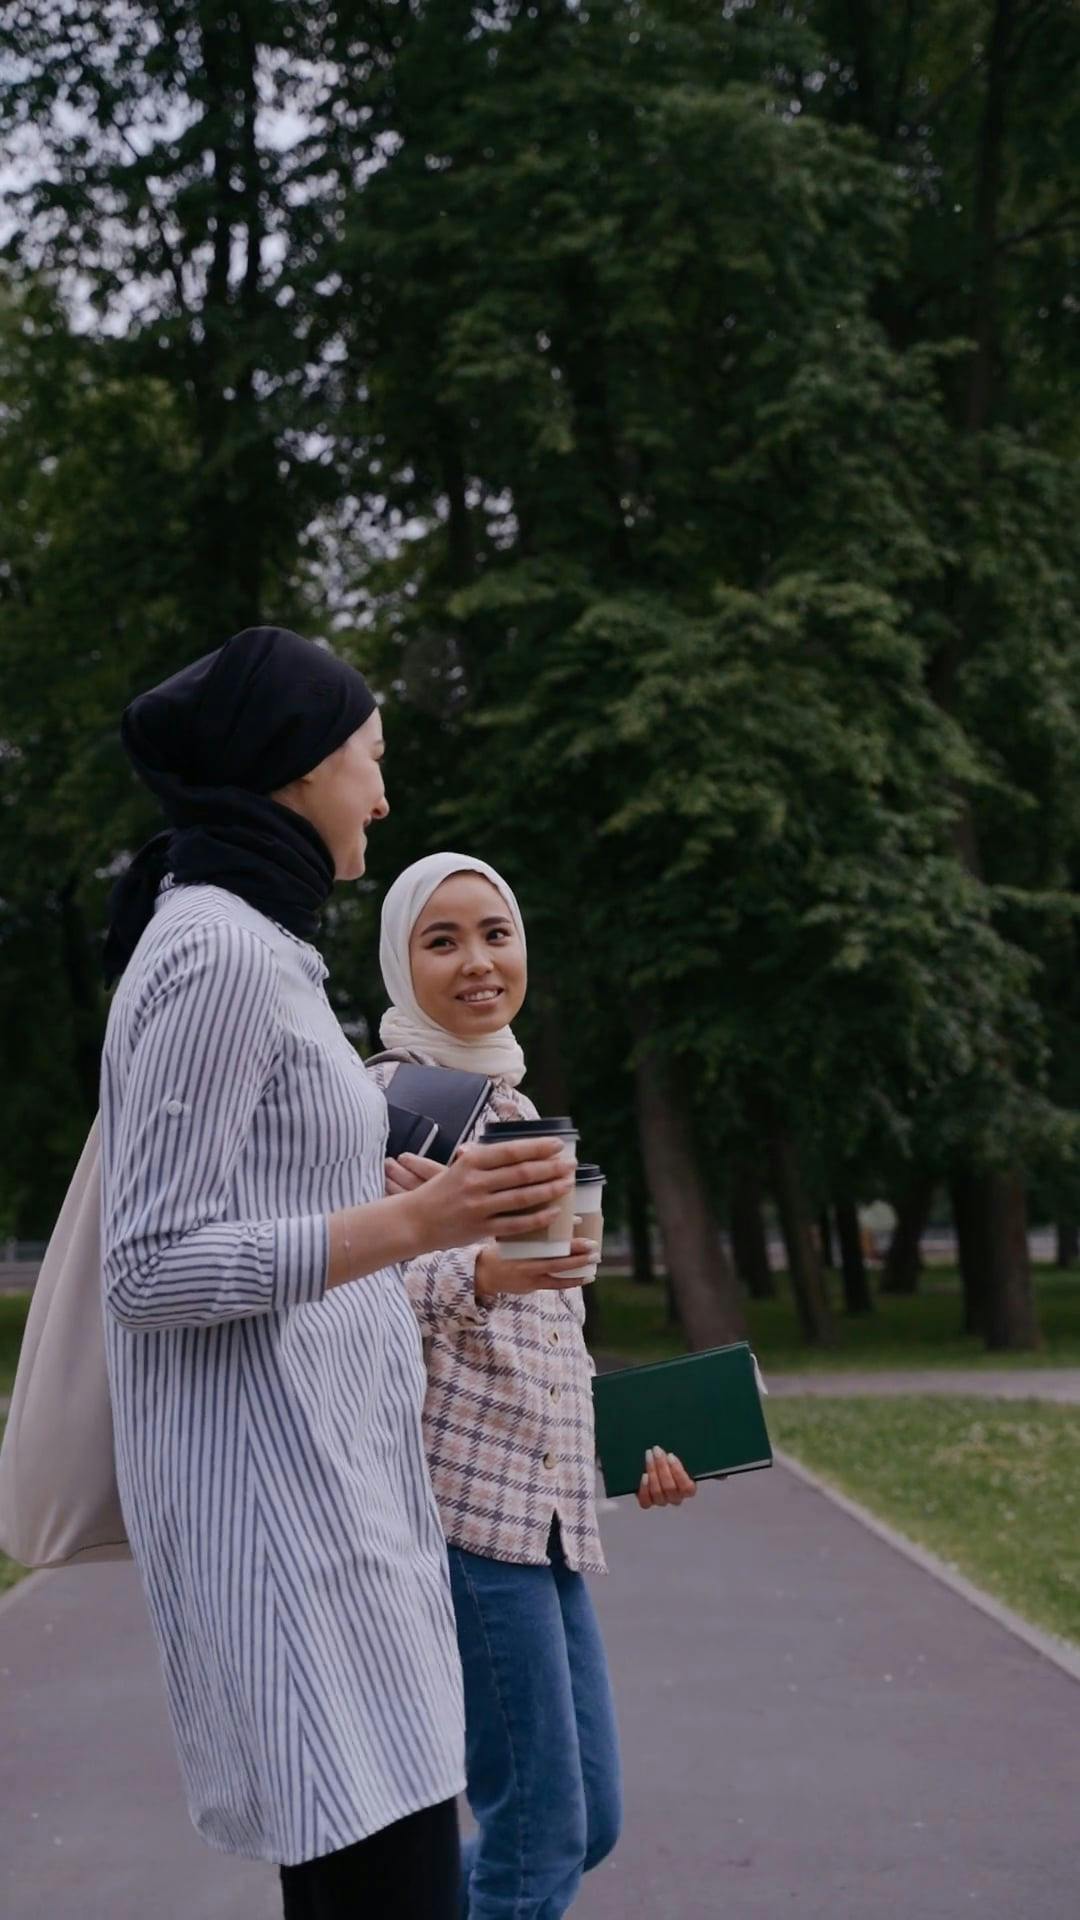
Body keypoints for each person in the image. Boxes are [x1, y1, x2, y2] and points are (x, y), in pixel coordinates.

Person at [98, 630, 576, 1920]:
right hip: (285, 1517)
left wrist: (377, 1202)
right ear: (301, 767)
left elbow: (249, 1201)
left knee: (399, 1872)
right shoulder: (215, 954)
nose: (381, 790)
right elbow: (144, 1266)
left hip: (346, 1498)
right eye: (371, 758)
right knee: (385, 1889)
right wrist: (415, 1231)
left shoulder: (262, 948)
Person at [371, 851, 697, 1920]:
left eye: (496, 934)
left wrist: (633, 1458)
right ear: (397, 959)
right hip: (462, 1520)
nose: (478, 961)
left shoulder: (515, 1103)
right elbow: (347, 1289)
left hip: (547, 1520)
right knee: (538, 1834)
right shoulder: (389, 1107)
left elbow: (544, 1339)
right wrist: (477, 1269)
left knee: (582, 1824)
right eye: (443, 939)